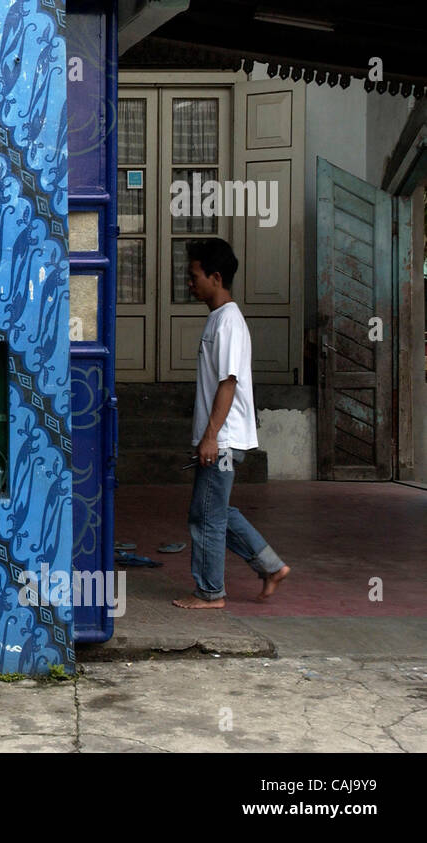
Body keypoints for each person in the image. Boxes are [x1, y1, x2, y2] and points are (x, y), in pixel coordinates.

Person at [173, 238, 290, 610]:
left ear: (216, 276)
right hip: (221, 439)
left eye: (194, 275)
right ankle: (270, 566)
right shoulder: (220, 319)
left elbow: (229, 382)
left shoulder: (228, 323)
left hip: (223, 441)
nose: (189, 283)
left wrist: (211, 438)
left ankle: (210, 592)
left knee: (206, 516)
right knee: (214, 509)